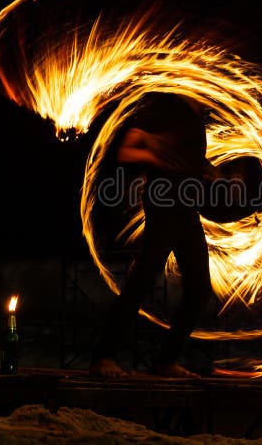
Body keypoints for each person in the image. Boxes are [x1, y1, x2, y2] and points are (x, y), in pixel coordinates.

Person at [90, 91, 220, 379]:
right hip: (165, 205)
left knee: (199, 288)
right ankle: (103, 357)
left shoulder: (198, 116)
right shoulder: (166, 107)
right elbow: (126, 151)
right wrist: (154, 155)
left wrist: (208, 170)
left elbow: (186, 158)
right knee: (144, 280)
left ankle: (165, 362)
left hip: (188, 208)